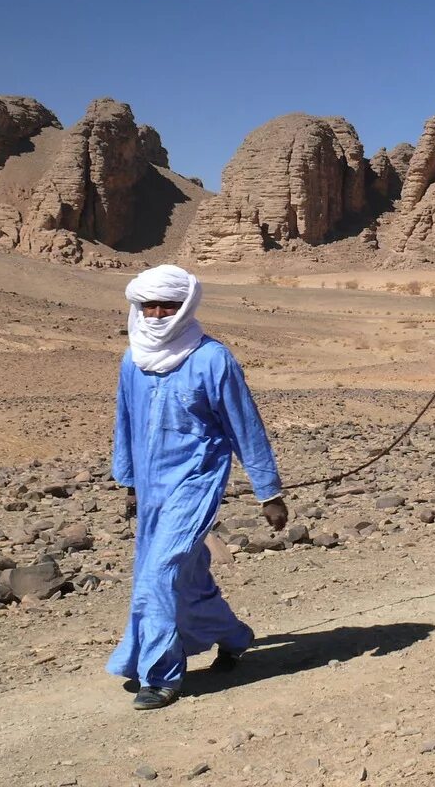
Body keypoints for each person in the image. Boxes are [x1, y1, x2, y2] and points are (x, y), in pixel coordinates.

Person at [106, 264, 287, 710]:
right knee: (186, 577)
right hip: (151, 488)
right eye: (149, 305)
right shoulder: (133, 359)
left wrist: (269, 491)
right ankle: (234, 636)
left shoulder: (212, 359)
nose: (158, 313)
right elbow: (125, 423)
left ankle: (162, 676)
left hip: (195, 482)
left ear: (185, 306)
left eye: (167, 304)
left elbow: (245, 427)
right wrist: (129, 482)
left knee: (159, 574)